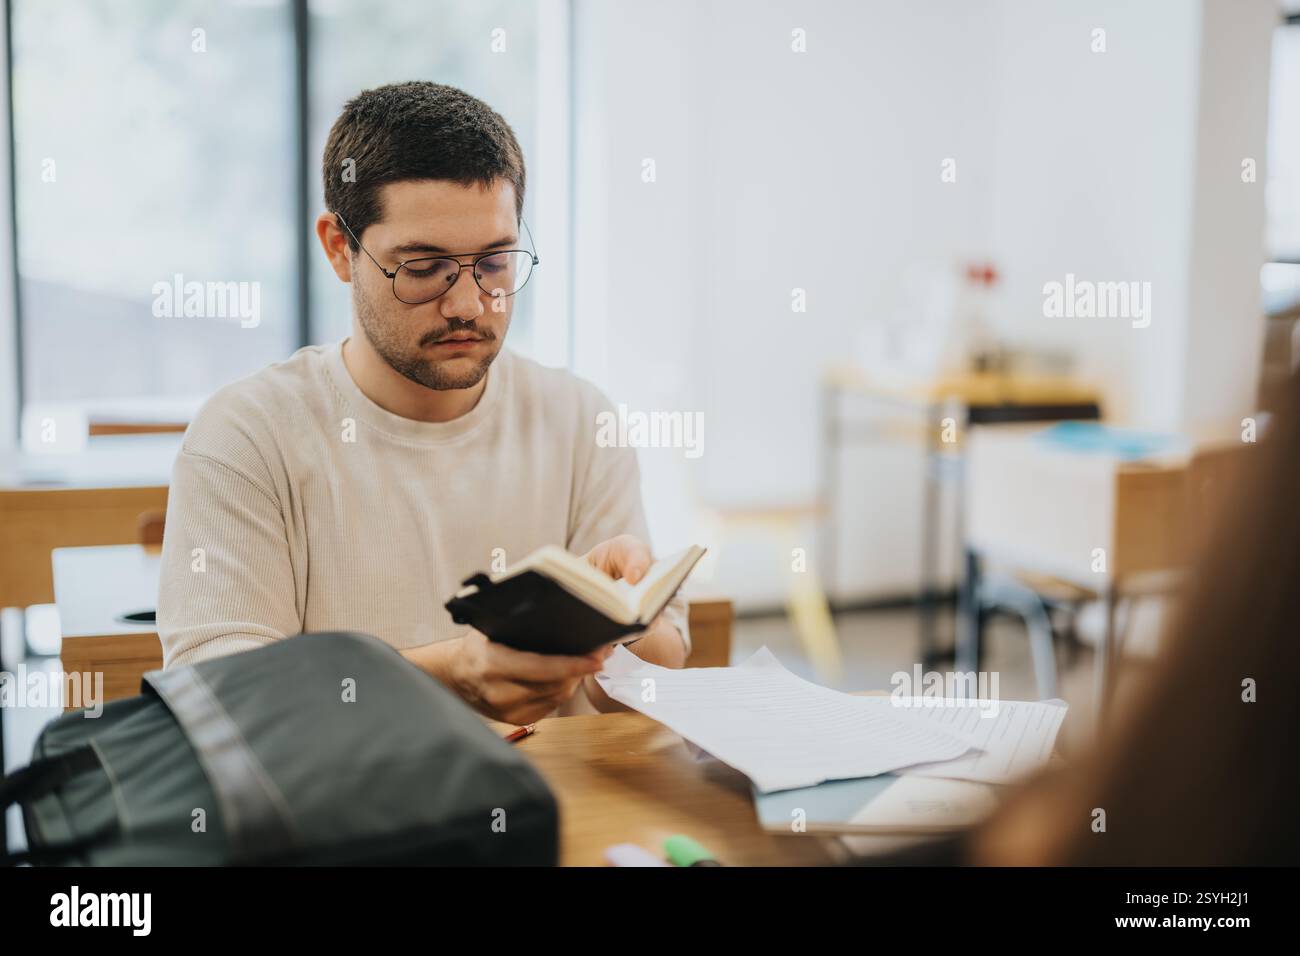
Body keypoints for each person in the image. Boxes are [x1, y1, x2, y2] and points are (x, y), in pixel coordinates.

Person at [157, 82, 689, 724]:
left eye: (494, 262)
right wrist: (450, 674)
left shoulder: (578, 418)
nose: (468, 304)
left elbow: (643, 688)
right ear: (338, 248)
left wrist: (618, 623)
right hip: (344, 815)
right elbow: (217, 702)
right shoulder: (247, 435)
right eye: (423, 267)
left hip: (545, 804)